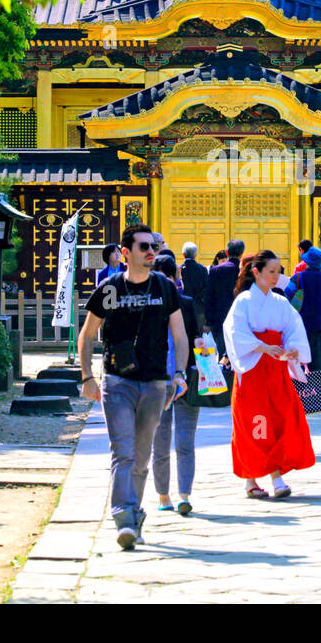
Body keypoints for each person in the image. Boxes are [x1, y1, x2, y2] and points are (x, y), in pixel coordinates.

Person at [78, 223, 189, 550]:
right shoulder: (111, 288)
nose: (151, 251)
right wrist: (87, 377)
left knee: (141, 457)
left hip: (155, 383)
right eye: (143, 247)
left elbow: (180, 335)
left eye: (153, 246)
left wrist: (179, 373)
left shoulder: (164, 288)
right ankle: (123, 517)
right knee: (123, 452)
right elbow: (86, 334)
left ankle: (135, 514)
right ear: (126, 253)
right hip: (118, 381)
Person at [223, 251, 315, 499]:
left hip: (275, 370)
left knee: (281, 419)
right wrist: (262, 346)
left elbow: (293, 328)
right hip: (252, 370)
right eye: (271, 272)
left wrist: (293, 347)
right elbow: (234, 331)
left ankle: (263, 478)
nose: (276, 277)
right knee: (254, 423)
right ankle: (266, 478)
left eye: (278, 272)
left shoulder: (280, 302)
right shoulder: (243, 301)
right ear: (256, 272)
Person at [151, 254, 204, 517]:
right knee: (177, 441)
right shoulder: (149, 306)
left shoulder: (185, 303)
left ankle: (179, 494)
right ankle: (167, 493)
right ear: (176, 275)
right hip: (164, 381)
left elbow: (196, 339)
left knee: (172, 441)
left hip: (181, 381)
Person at [283, 246, 321, 414]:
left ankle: (298, 400)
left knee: (298, 362)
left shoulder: (298, 278)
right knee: (317, 363)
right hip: (319, 326)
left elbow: (286, 295)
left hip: (299, 326)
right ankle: (319, 401)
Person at [203, 238, 245, 336]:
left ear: (227, 252)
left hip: (219, 318)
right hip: (241, 319)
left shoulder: (215, 270)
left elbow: (209, 296)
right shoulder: (245, 271)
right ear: (242, 253)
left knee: (220, 350)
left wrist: (209, 321)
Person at [179, 241, 209, 319]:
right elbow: (206, 288)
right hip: (199, 308)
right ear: (195, 254)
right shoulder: (202, 269)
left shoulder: (179, 269)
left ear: (183, 254)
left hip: (182, 308)